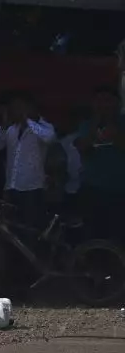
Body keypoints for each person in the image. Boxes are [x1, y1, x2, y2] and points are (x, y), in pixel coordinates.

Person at [0, 91, 56, 220]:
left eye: (19, 107)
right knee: (8, 227)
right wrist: (3, 127)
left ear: (29, 107)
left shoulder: (44, 126)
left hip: (32, 189)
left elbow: (49, 138)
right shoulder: (11, 129)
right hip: (11, 187)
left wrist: (27, 121)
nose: (15, 111)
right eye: (13, 108)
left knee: (29, 228)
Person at [75, 88, 125, 240]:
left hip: (119, 189)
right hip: (92, 188)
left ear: (117, 103)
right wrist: (95, 124)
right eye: (99, 101)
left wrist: (115, 133)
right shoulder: (86, 125)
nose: (103, 105)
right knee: (92, 233)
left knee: (117, 234)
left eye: (107, 100)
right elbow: (83, 149)